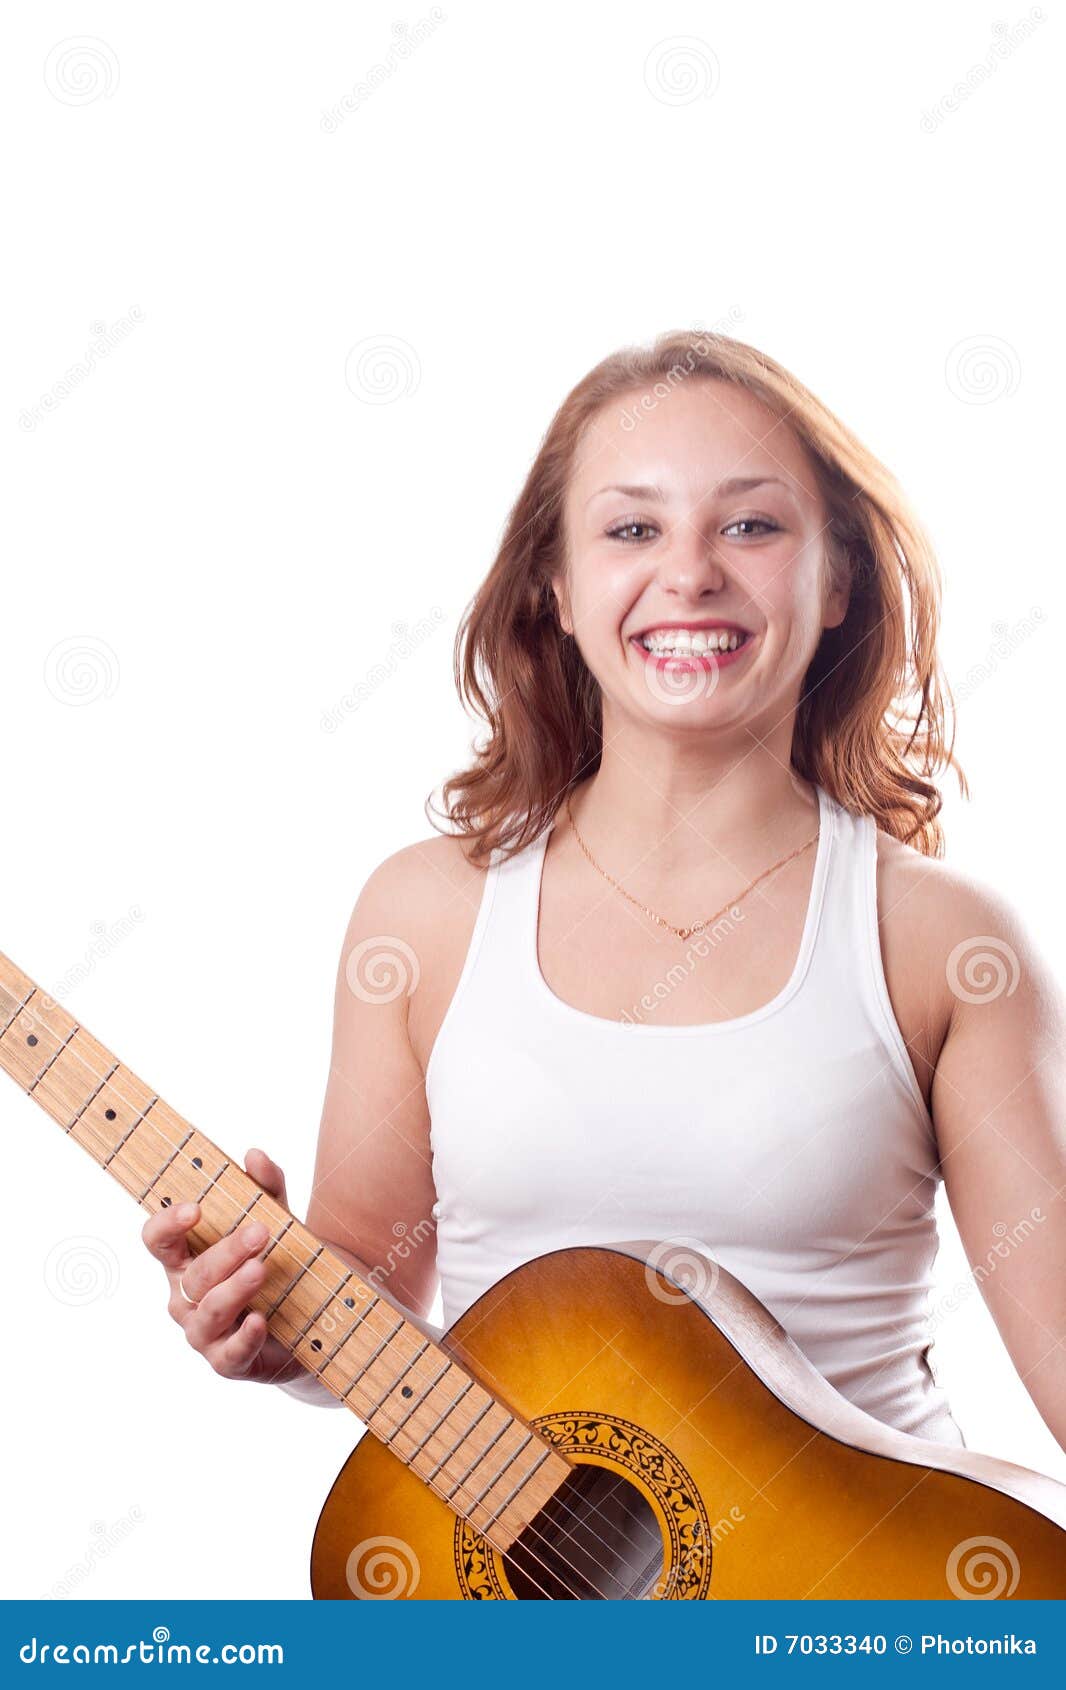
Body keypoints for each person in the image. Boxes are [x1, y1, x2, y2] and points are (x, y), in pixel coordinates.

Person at [142, 329, 1066, 1452]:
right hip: (526, 1607)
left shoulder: (937, 937)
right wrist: (276, 1323)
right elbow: (365, 1296)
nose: (689, 573)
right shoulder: (422, 918)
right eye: (633, 528)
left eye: (751, 525)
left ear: (838, 585)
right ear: (559, 591)